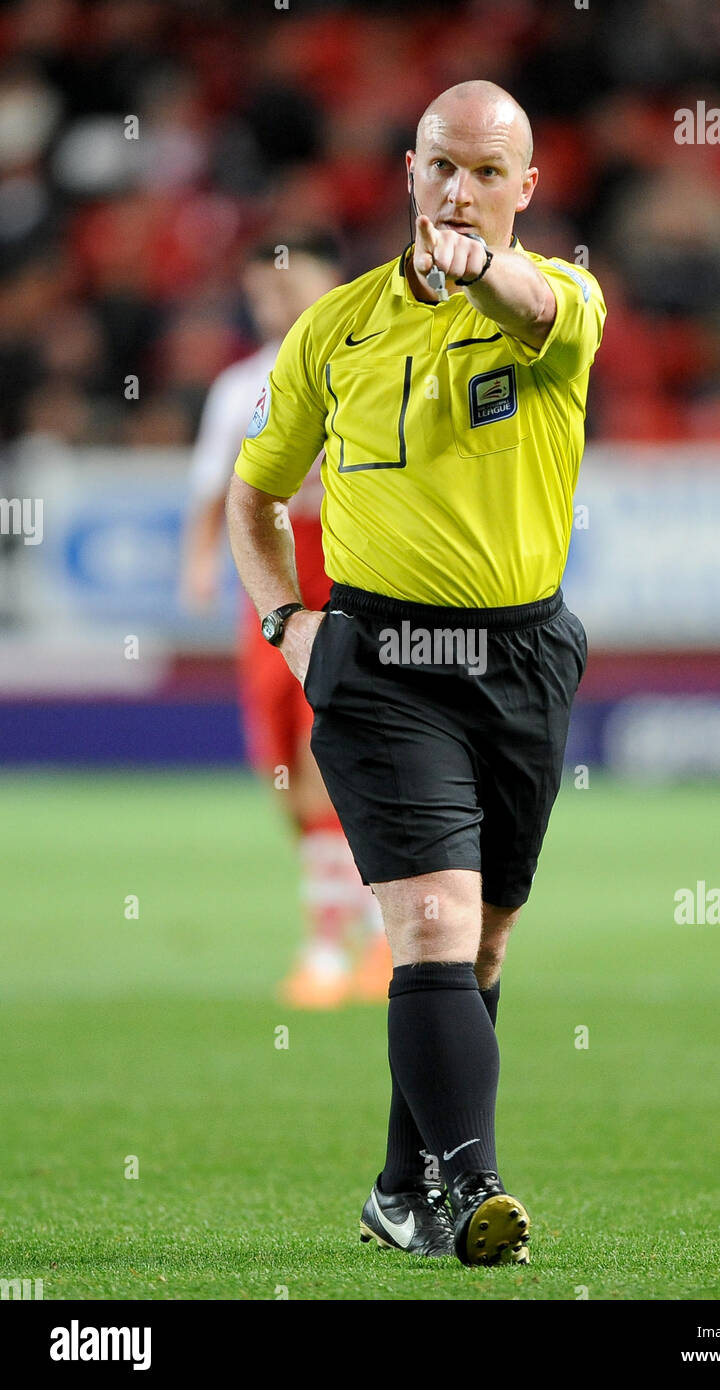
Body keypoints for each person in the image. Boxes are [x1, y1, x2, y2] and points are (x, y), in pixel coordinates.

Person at [225, 80, 606, 1266]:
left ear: (524, 187)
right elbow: (253, 497)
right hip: (383, 659)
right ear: (407, 170)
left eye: (489, 172)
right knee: (431, 922)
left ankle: (399, 1190)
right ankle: (474, 1189)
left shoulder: (561, 302)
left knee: (480, 944)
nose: (460, 190)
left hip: (521, 655)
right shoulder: (332, 329)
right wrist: (286, 619)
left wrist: (478, 268)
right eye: (443, 165)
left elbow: (527, 299)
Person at [181, 238, 389, 1009]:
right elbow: (215, 488)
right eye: (264, 293)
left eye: (291, 286)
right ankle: (370, 922)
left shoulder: (368, 366)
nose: (277, 303)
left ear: (332, 285)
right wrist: (200, 563)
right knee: (281, 773)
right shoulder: (240, 387)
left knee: (320, 759)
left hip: (347, 588)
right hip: (269, 588)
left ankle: (332, 946)